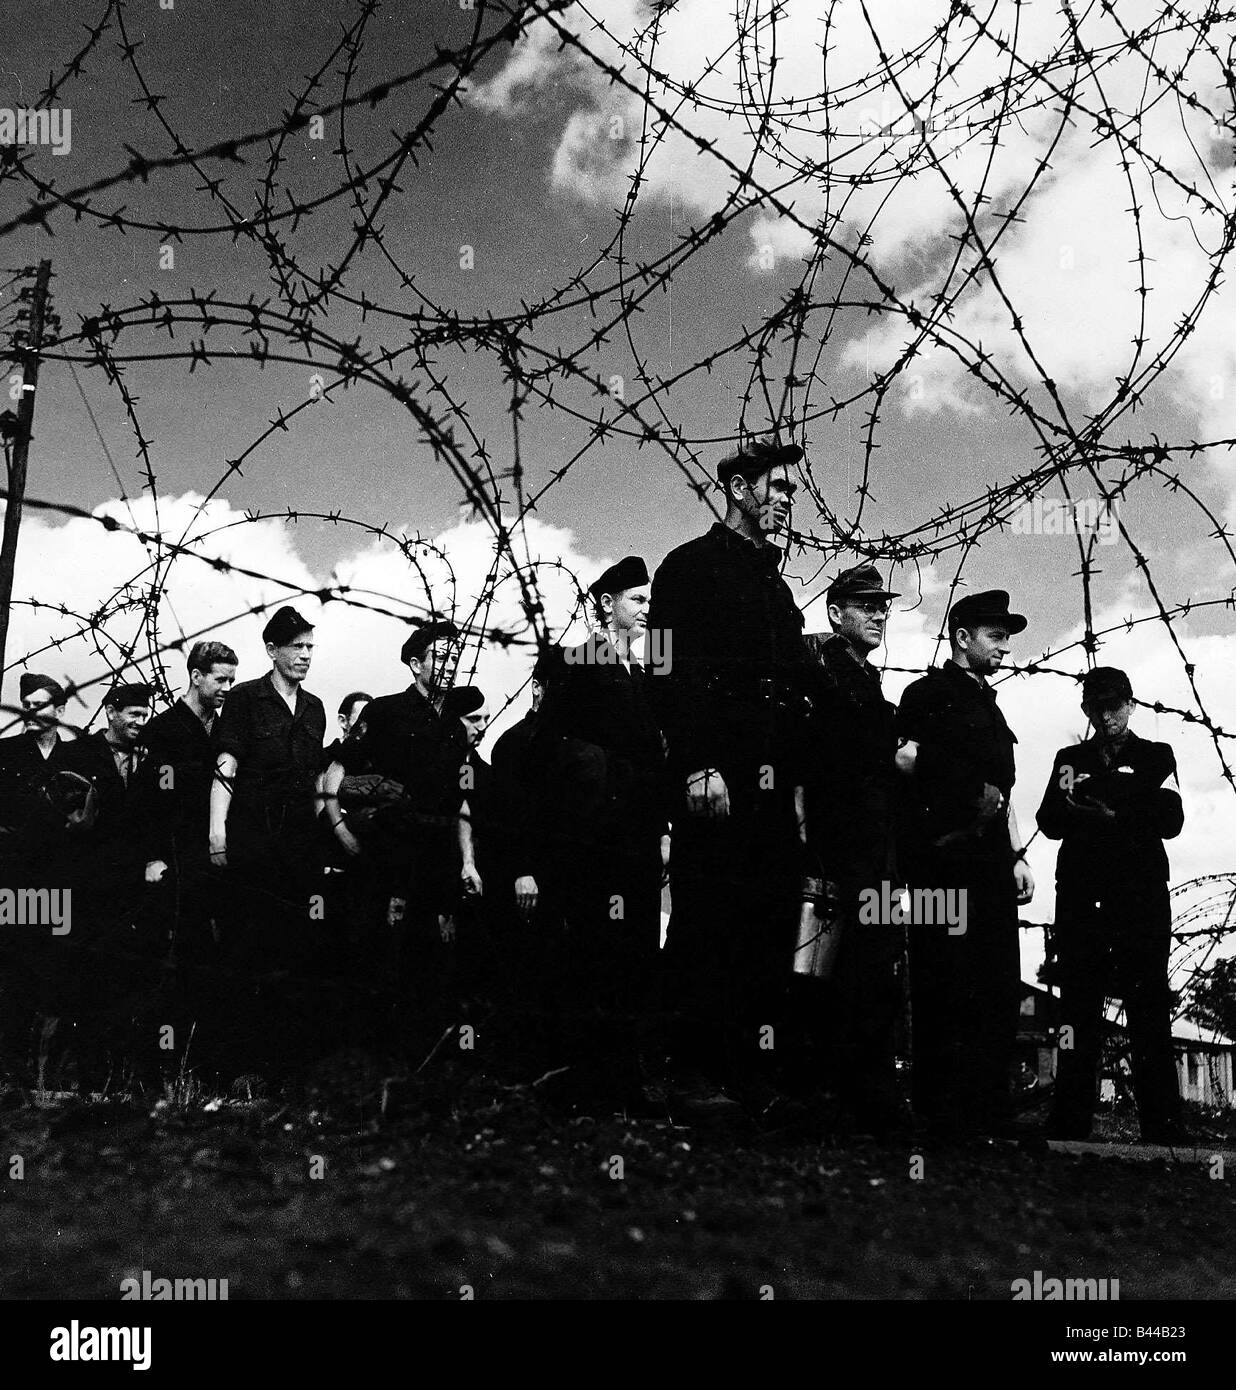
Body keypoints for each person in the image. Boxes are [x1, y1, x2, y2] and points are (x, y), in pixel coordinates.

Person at [647, 437, 815, 1119]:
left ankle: (748, 1074)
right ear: (739, 488)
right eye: (777, 487)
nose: (787, 499)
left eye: (791, 491)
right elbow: (665, 667)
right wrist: (696, 761)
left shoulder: (777, 589)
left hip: (775, 778)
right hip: (717, 769)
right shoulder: (688, 567)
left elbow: (798, 691)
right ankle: (691, 1073)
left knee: (768, 921)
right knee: (708, 918)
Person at [895, 590, 1034, 1138]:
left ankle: (987, 1107)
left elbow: (1003, 789)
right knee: (942, 979)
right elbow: (906, 758)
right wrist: (963, 787)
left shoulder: (990, 706)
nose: (1004, 647)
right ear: (962, 637)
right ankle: (940, 1109)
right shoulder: (927, 693)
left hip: (990, 862)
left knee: (995, 983)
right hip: (944, 860)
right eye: (995, 636)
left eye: (1006, 637)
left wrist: (1018, 854)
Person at [534, 556, 670, 1110]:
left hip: (636, 839)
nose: (646, 610)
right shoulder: (576, 662)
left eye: (649, 602)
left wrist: (660, 828)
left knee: (634, 955)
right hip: (593, 841)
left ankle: (623, 1082)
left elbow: (656, 757)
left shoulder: (645, 674)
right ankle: (586, 1082)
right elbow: (551, 750)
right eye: (637, 600)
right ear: (605, 604)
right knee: (592, 955)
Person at [1035, 666, 1186, 1144]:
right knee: (1077, 1010)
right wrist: (1108, 802)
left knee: (1148, 1007)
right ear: (1086, 710)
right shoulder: (1069, 757)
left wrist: (1110, 809)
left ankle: (1162, 1127)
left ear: (1131, 704)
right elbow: (1051, 817)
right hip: (1082, 898)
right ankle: (1070, 1122)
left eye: (1116, 705)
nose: (1108, 715)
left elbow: (1171, 816)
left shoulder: (1156, 754)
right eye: (1097, 706)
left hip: (1139, 898)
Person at [321, 620, 466, 1049]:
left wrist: (467, 861)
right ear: (416, 663)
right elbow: (336, 771)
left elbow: (461, 801)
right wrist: (340, 829)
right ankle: (372, 1065)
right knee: (384, 953)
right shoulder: (384, 712)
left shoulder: (455, 727)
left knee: (432, 959)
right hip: (389, 856)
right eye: (439, 656)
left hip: (436, 857)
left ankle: (422, 1065)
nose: (449, 664)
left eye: (454, 656)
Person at [803, 564, 905, 1135]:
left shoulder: (862, 678)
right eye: (866, 606)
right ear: (836, 613)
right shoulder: (827, 674)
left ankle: (858, 1094)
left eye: (883, 606)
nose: (879, 614)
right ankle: (847, 1096)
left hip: (872, 842)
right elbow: (826, 759)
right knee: (846, 969)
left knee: (871, 969)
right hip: (843, 842)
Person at [209, 607, 326, 1074]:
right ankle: (236, 1067)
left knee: (294, 952)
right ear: (272, 650)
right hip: (253, 840)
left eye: (309, 647)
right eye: (296, 647)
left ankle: (284, 1070)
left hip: (298, 848)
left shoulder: (315, 707)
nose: (304, 656)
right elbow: (226, 766)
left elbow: (318, 779)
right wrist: (217, 832)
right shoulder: (244, 699)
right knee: (245, 950)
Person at [135, 641, 238, 1077]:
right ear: (196, 676)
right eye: (220, 679)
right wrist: (154, 856)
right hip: (174, 862)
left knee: (208, 963)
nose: (227, 688)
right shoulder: (164, 731)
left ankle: (199, 1067)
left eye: (233, 680)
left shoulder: (226, 729)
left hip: (212, 863)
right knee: (170, 964)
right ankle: (158, 1070)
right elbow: (147, 805)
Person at [62, 682, 154, 1091]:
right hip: (90, 886)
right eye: (133, 714)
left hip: (135, 890)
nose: (141, 720)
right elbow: (64, 821)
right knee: (89, 982)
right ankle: (90, 1078)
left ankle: (126, 1078)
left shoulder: (152, 759)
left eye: (145, 713)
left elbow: (161, 812)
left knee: (130, 981)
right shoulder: (77, 754)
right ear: (111, 713)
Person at [0, 674, 73, 1070]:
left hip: (58, 883)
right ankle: (9, 1066)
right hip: (14, 881)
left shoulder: (75, 758)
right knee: (15, 968)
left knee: (55, 969)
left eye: (39, 705)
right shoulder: (6, 754)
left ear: (60, 711)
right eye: (25, 706)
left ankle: (46, 1068)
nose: (30, 713)